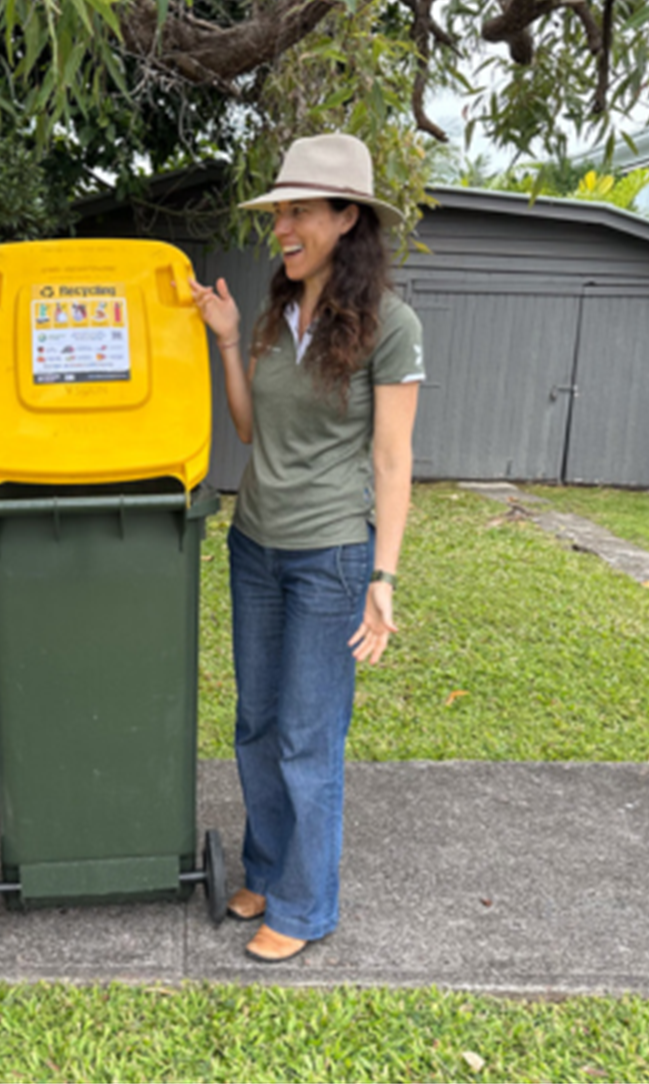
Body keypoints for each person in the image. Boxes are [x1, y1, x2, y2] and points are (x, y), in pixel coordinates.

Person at [190, 133, 423, 963]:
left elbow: (393, 459)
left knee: (307, 735)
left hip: (329, 557)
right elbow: (252, 431)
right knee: (256, 723)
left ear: (346, 217)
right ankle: (265, 868)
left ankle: (306, 903)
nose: (282, 228)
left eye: (298, 213)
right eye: (279, 213)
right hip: (254, 546)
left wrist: (383, 575)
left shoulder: (389, 327)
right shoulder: (278, 309)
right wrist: (226, 338)